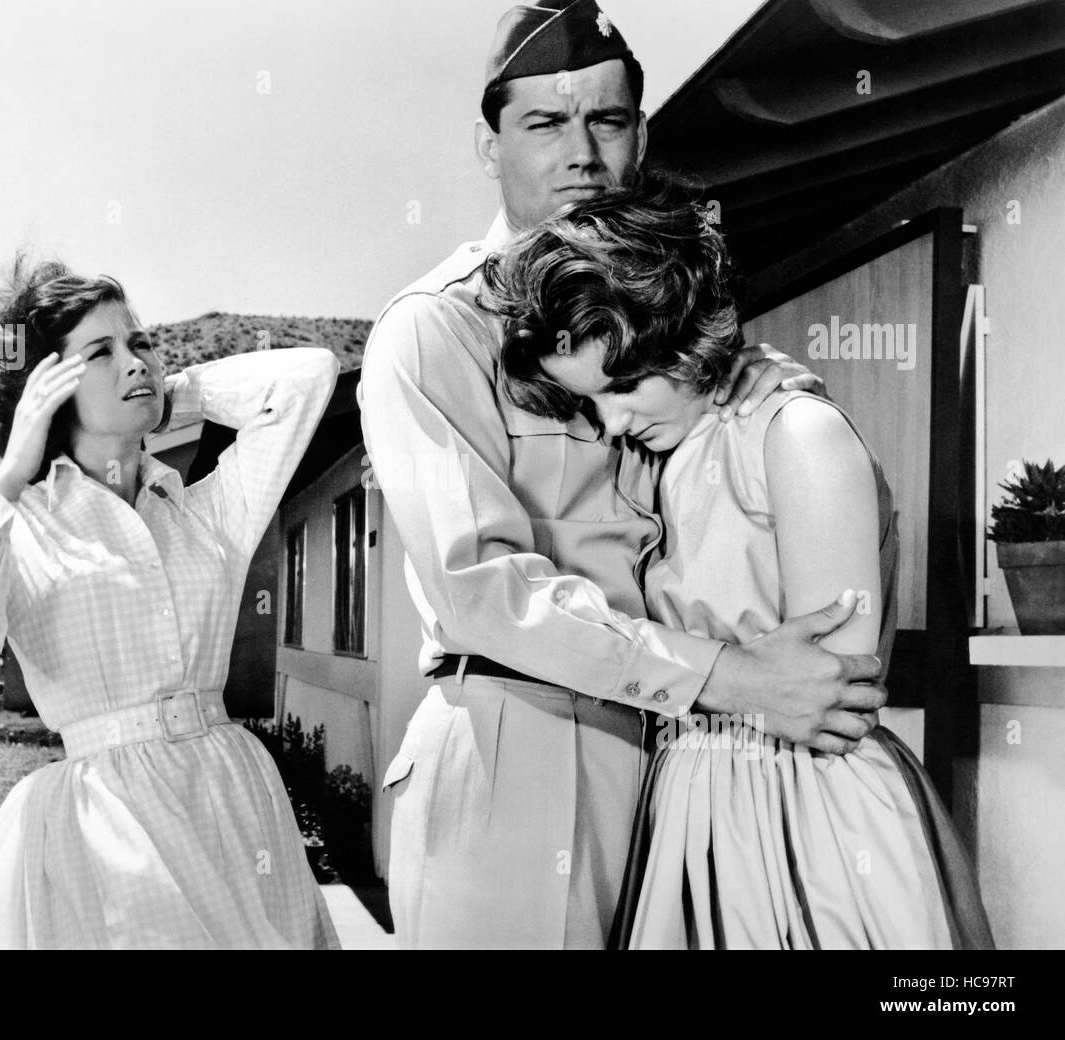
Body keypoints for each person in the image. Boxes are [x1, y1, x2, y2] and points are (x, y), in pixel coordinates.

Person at [359, 0, 886, 949]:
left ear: (639, 134)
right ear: (490, 142)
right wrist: (730, 677)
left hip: (691, 758)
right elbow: (485, 593)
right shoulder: (433, 330)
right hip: (525, 743)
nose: (581, 155)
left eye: (606, 120)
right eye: (543, 123)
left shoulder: (662, 308)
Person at [485, 184, 995, 949]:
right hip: (696, 802)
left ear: (688, 335)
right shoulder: (670, 445)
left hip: (804, 813)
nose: (614, 422)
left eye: (624, 386)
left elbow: (830, 693)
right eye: (593, 402)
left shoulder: (797, 433)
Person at [0, 256, 341, 950]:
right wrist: (13, 472)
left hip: (231, 798)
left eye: (141, 343)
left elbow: (306, 378)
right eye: (99, 353)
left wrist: (169, 391)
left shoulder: (206, 513)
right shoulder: (17, 527)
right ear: (48, 387)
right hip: (109, 828)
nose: (135, 361)